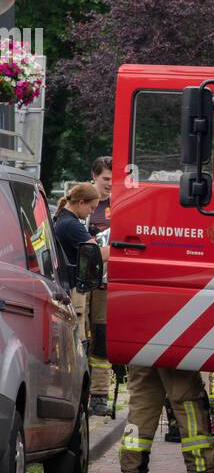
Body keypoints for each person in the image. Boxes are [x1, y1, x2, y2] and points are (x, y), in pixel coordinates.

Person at [118, 366, 214, 473]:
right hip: (173, 353)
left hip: (141, 351)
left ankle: (131, 469)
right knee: (187, 400)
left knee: (142, 405)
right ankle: (201, 465)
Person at [53, 184, 108, 345]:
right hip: (73, 288)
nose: (92, 212)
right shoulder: (71, 225)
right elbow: (95, 254)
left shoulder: (63, 218)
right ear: (81, 202)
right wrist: (118, 248)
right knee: (78, 340)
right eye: (91, 207)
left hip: (67, 285)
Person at [86, 156, 113, 416]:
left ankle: (100, 395)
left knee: (102, 338)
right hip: (84, 283)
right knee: (83, 339)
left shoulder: (119, 203)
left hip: (107, 284)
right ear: (94, 176)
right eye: (106, 179)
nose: (110, 185)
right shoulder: (82, 201)